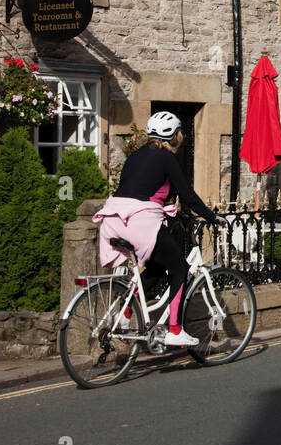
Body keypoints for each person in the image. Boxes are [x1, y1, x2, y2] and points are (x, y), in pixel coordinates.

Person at [93, 111, 225, 347]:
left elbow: (142, 189)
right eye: (179, 133)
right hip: (139, 223)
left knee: (154, 269)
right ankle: (175, 329)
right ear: (175, 136)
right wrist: (212, 217)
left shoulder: (135, 156)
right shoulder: (167, 158)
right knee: (180, 269)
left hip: (114, 221)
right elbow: (188, 195)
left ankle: (124, 315)